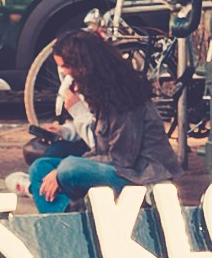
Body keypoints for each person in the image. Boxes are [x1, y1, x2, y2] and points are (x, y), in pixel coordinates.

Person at [22, 20, 180, 213]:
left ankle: (75, 214)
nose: (63, 72)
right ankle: (65, 220)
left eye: (64, 66)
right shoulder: (100, 93)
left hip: (141, 176)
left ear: (82, 66)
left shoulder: (124, 97)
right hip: (117, 168)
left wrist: (65, 168)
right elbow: (98, 147)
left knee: (69, 168)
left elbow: (121, 159)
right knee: (40, 168)